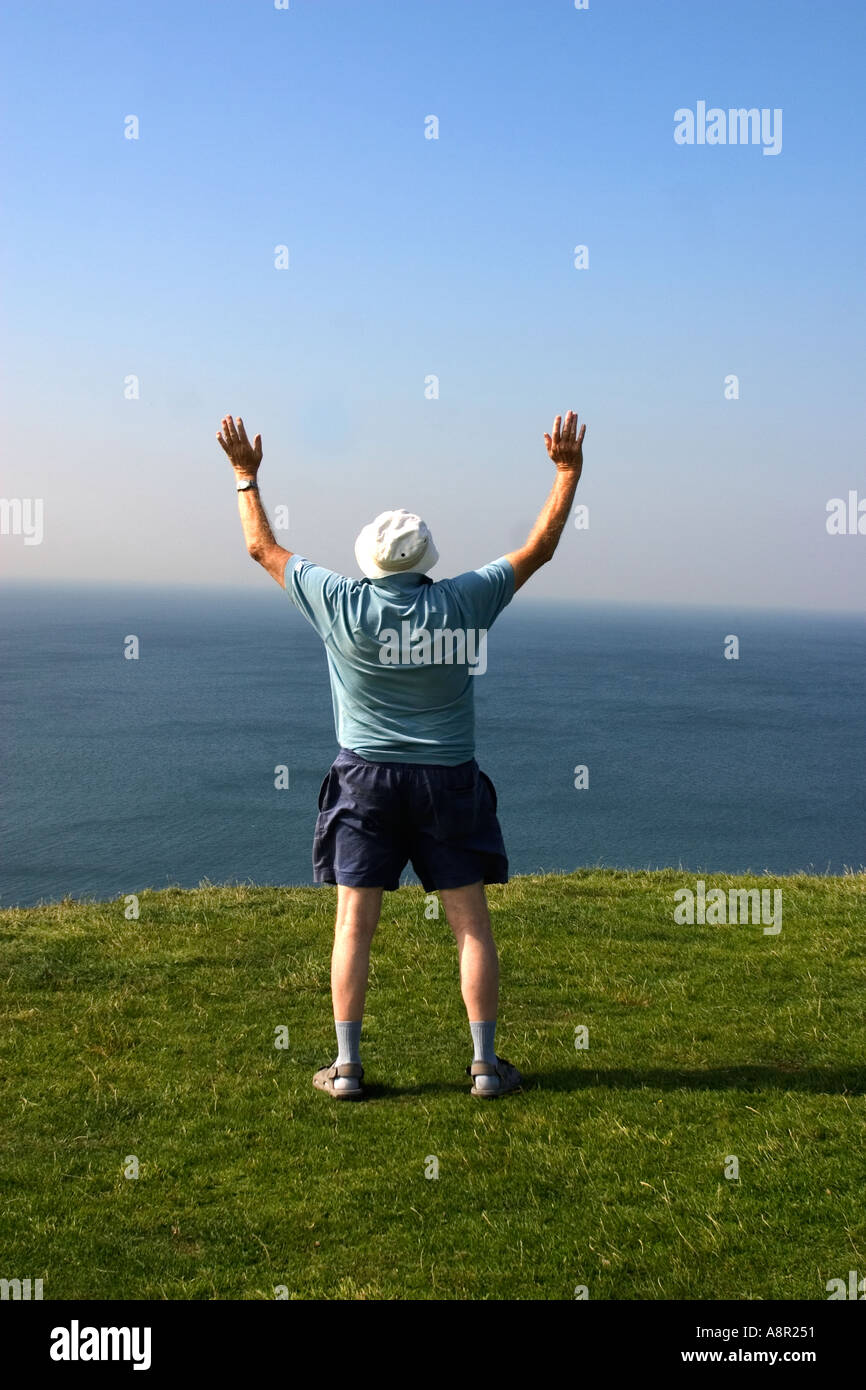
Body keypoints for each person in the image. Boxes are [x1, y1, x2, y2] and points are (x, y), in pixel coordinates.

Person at [216, 409, 586, 1100]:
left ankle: (348, 1068)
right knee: (470, 924)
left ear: (369, 560)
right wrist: (566, 474)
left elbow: (263, 550)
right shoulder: (463, 602)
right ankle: (483, 1067)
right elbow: (538, 548)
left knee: (355, 925)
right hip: (448, 778)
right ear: (425, 560)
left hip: (365, 781)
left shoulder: (339, 603)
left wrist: (245, 478)